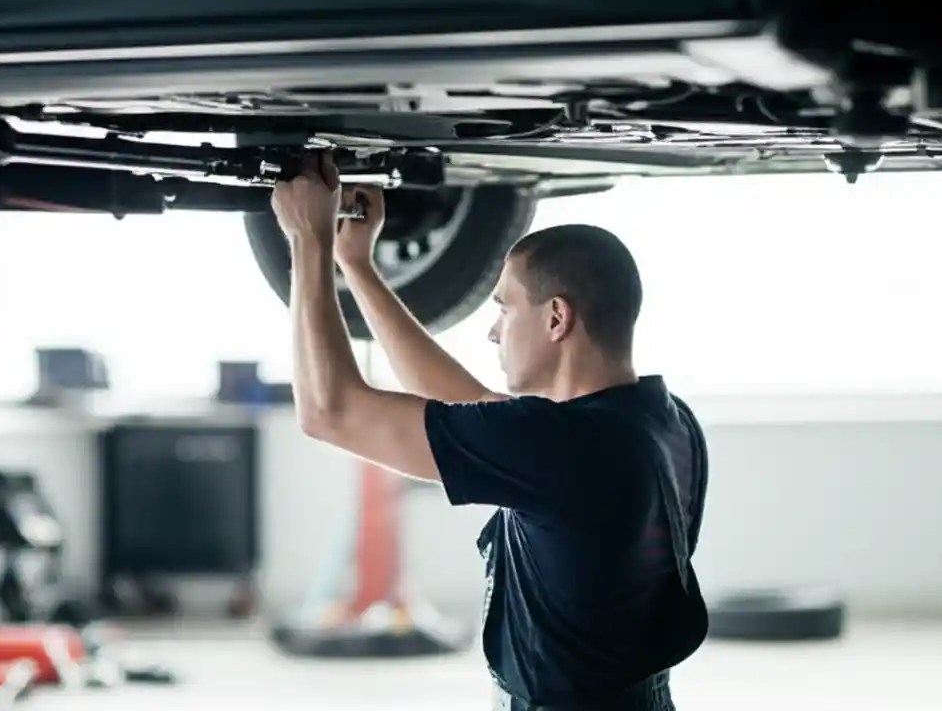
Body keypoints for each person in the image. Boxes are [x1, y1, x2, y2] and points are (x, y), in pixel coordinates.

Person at [271, 151, 710, 711]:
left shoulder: (560, 445)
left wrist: (307, 240)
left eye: (504, 308)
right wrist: (356, 267)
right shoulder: (658, 419)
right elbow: (469, 404)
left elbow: (327, 412)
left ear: (556, 318)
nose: (494, 333)